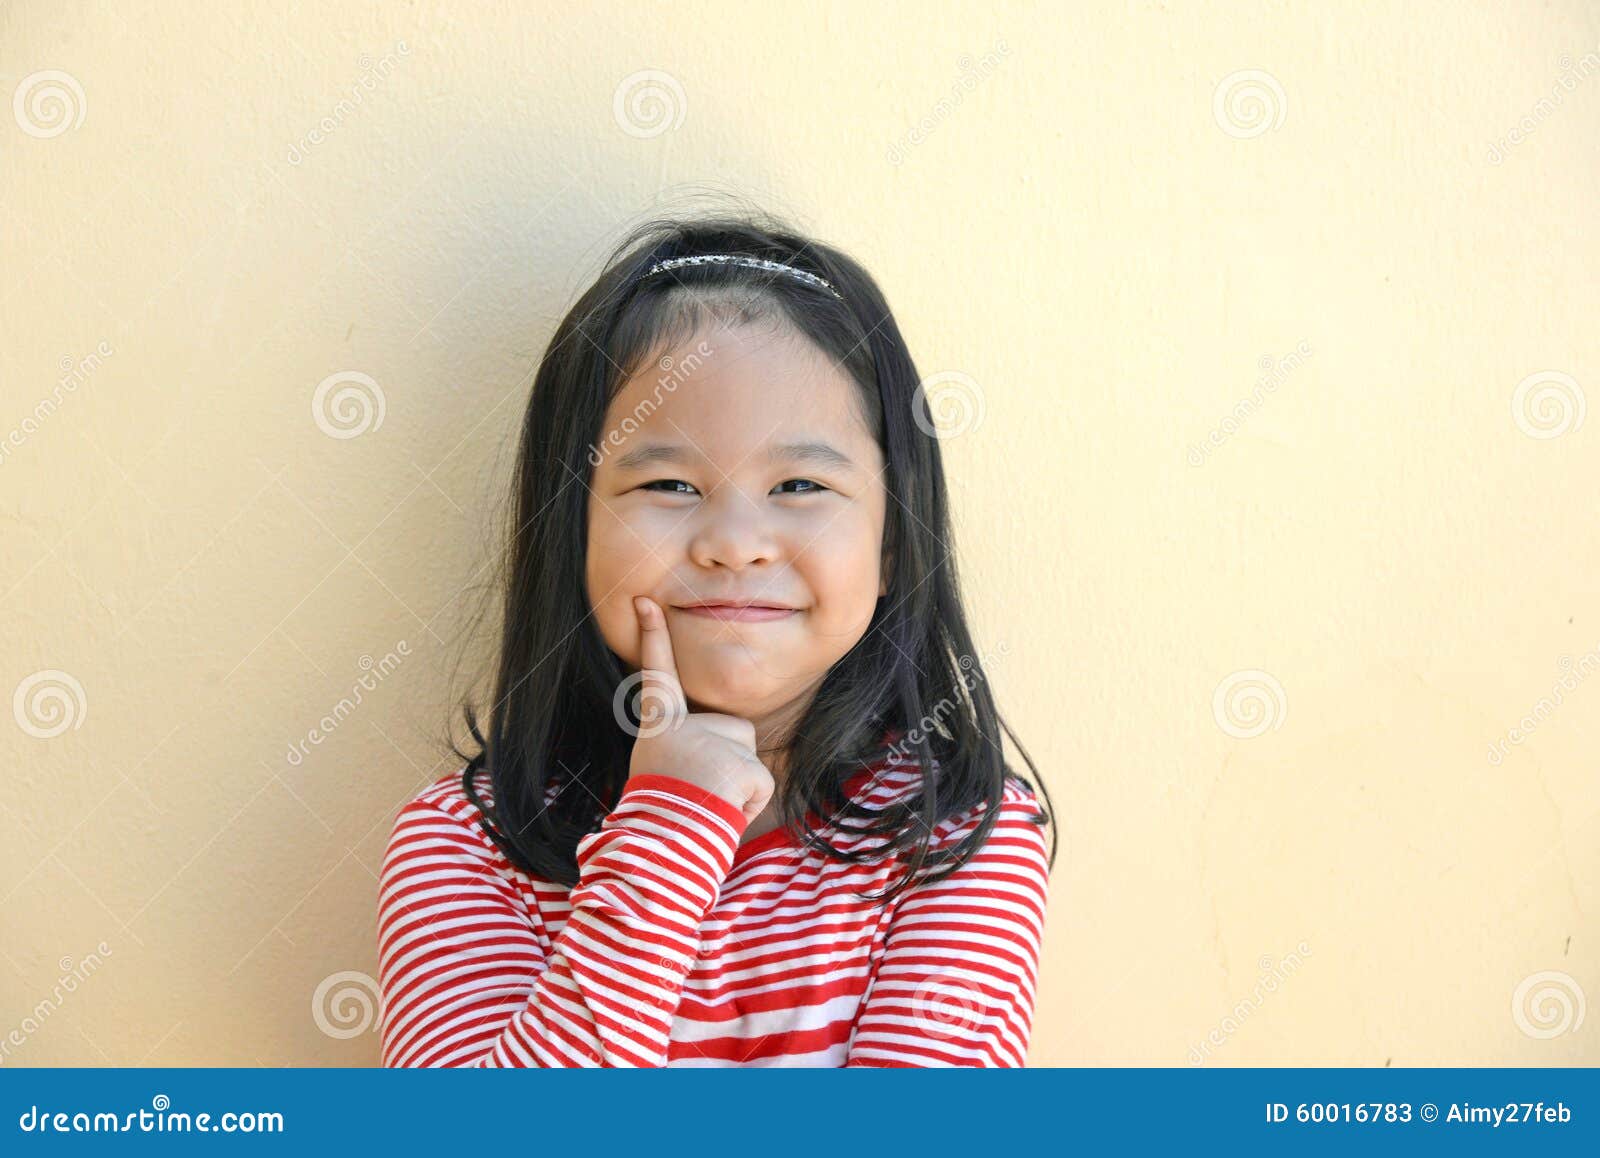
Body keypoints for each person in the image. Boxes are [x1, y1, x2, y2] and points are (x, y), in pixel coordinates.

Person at [377, 210, 1057, 1066]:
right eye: (668, 483)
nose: (736, 542)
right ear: (569, 533)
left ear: (889, 548)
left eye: (800, 484)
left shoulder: (956, 837)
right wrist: (669, 831)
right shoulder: (465, 848)